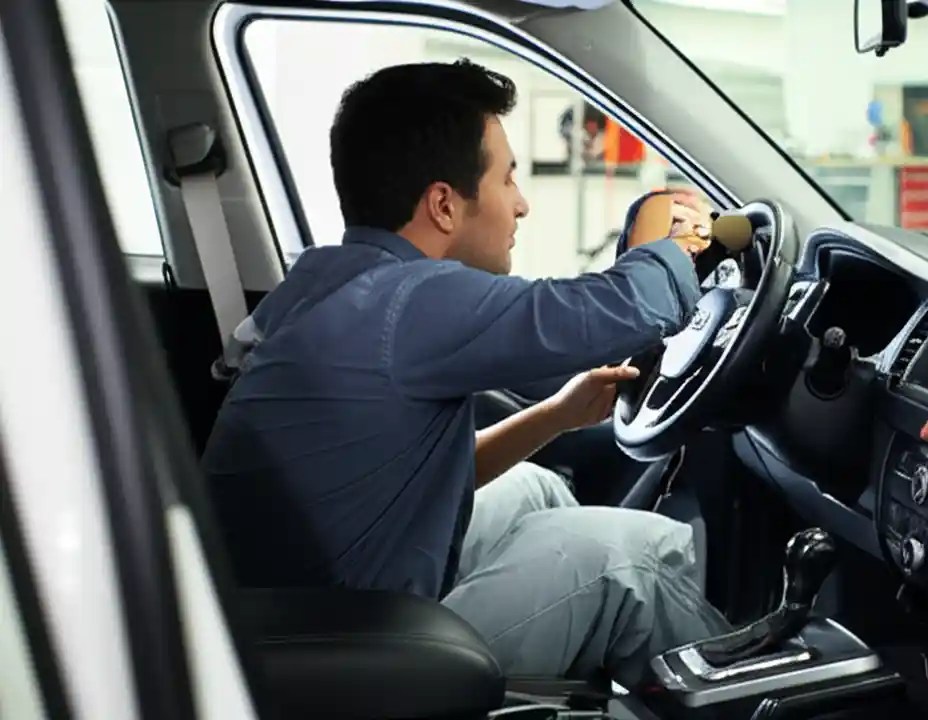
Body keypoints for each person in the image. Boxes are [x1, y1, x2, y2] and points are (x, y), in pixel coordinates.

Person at [202, 59, 731, 686]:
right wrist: (662, 235)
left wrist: (556, 416)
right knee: (629, 563)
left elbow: (409, 483)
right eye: (507, 179)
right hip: (346, 654)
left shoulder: (335, 285)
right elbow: (613, 309)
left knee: (538, 491)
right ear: (444, 205)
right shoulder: (408, 303)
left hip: (304, 612)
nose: (522, 204)